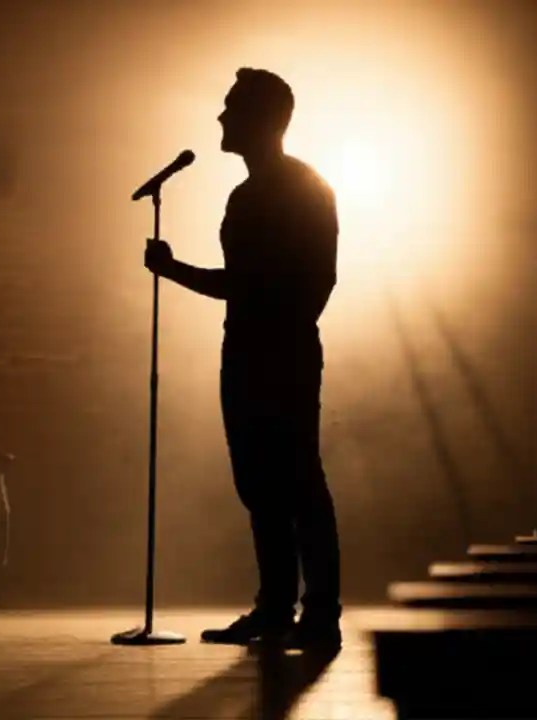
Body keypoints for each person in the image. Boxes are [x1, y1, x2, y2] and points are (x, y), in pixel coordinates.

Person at [143, 67, 342, 650]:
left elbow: (285, 282)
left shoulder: (303, 189)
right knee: (259, 482)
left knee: (299, 479)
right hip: (249, 349)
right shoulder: (248, 194)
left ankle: (319, 611)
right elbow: (249, 282)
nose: (222, 118)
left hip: (281, 351)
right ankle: (277, 606)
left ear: (262, 119)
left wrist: (175, 271)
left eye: (232, 107)